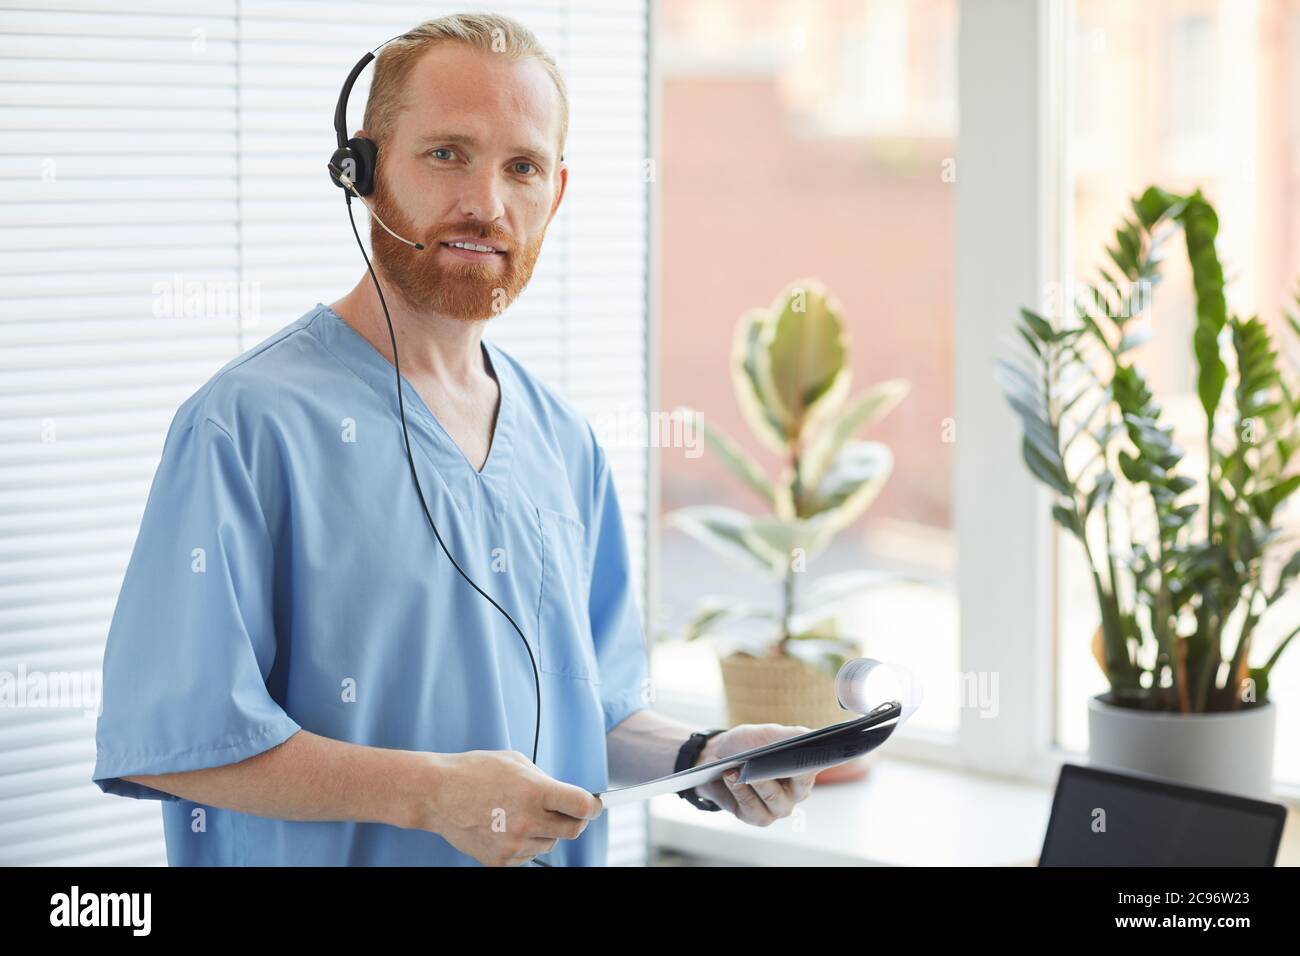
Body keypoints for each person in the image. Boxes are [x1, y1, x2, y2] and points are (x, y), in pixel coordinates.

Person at [92, 11, 817, 867]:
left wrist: (705, 758)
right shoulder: (245, 427)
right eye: (447, 155)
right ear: (360, 169)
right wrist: (432, 794)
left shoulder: (564, 441)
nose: (486, 204)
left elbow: (600, 712)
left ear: (558, 190)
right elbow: (187, 741)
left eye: (523, 167)